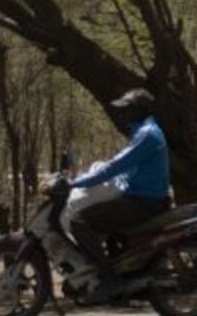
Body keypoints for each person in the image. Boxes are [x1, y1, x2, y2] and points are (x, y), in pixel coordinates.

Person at [67, 88, 170, 263]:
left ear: (139, 110)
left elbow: (115, 166)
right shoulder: (145, 132)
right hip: (146, 199)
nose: (123, 113)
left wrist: (74, 183)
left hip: (143, 203)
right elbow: (123, 168)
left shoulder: (147, 135)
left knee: (78, 221)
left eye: (127, 109)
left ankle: (107, 278)